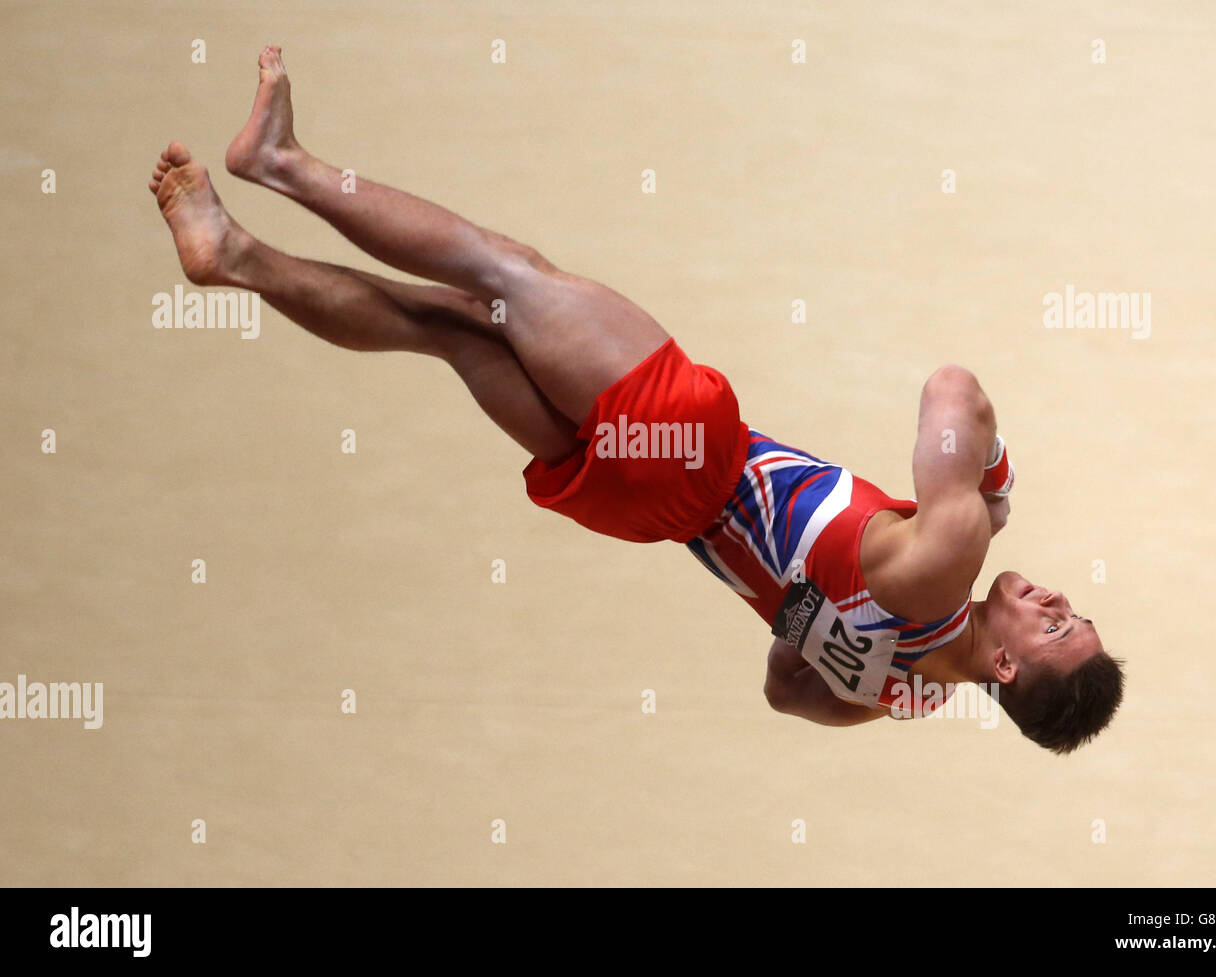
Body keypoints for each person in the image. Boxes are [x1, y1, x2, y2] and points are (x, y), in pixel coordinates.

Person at [150, 46, 1123, 752]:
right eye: (1071, 608)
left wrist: (990, 483)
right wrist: (819, 611)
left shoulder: (952, 558)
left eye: (1050, 623)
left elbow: (951, 387)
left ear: (1006, 667)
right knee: (445, 328)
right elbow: (787, 688)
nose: (1051, 596)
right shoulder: (900, 698)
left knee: (505, 272)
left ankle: (279, 163)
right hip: (645, 513)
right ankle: (236, 257)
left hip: (699, 452)